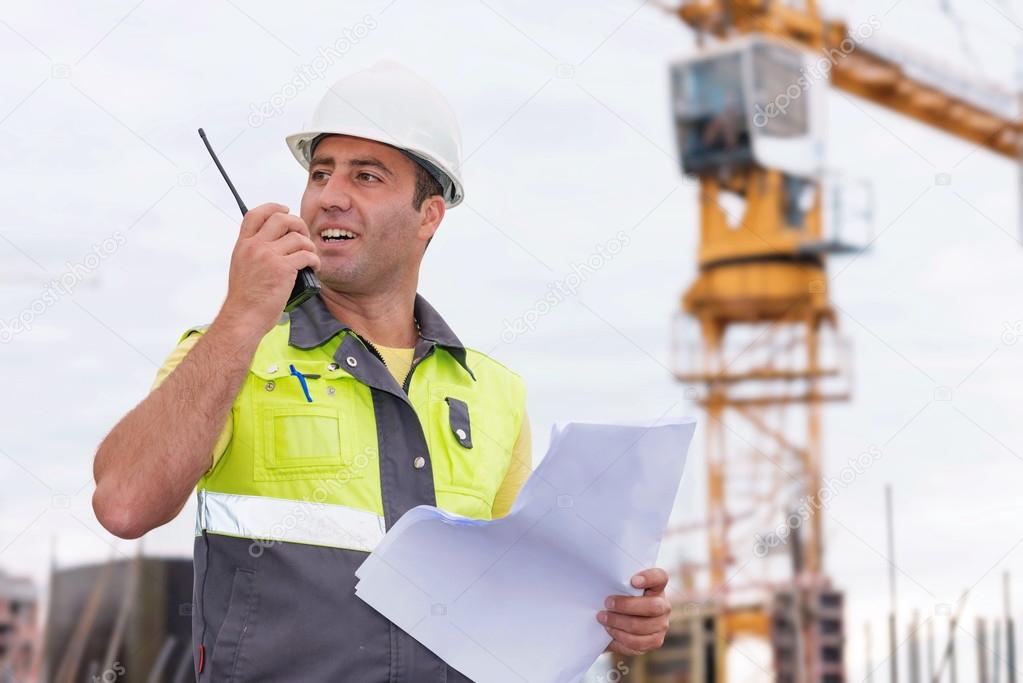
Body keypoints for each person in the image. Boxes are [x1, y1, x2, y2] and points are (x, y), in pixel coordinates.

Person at [92, 59, 671, 681]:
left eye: (367, 176)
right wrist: (241, 315)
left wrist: (608, 618)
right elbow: (124, 505)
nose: (330, 195)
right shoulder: (231, 351)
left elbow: (515, 607)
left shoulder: (493, 393)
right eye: (320, 174)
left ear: (429, 216)